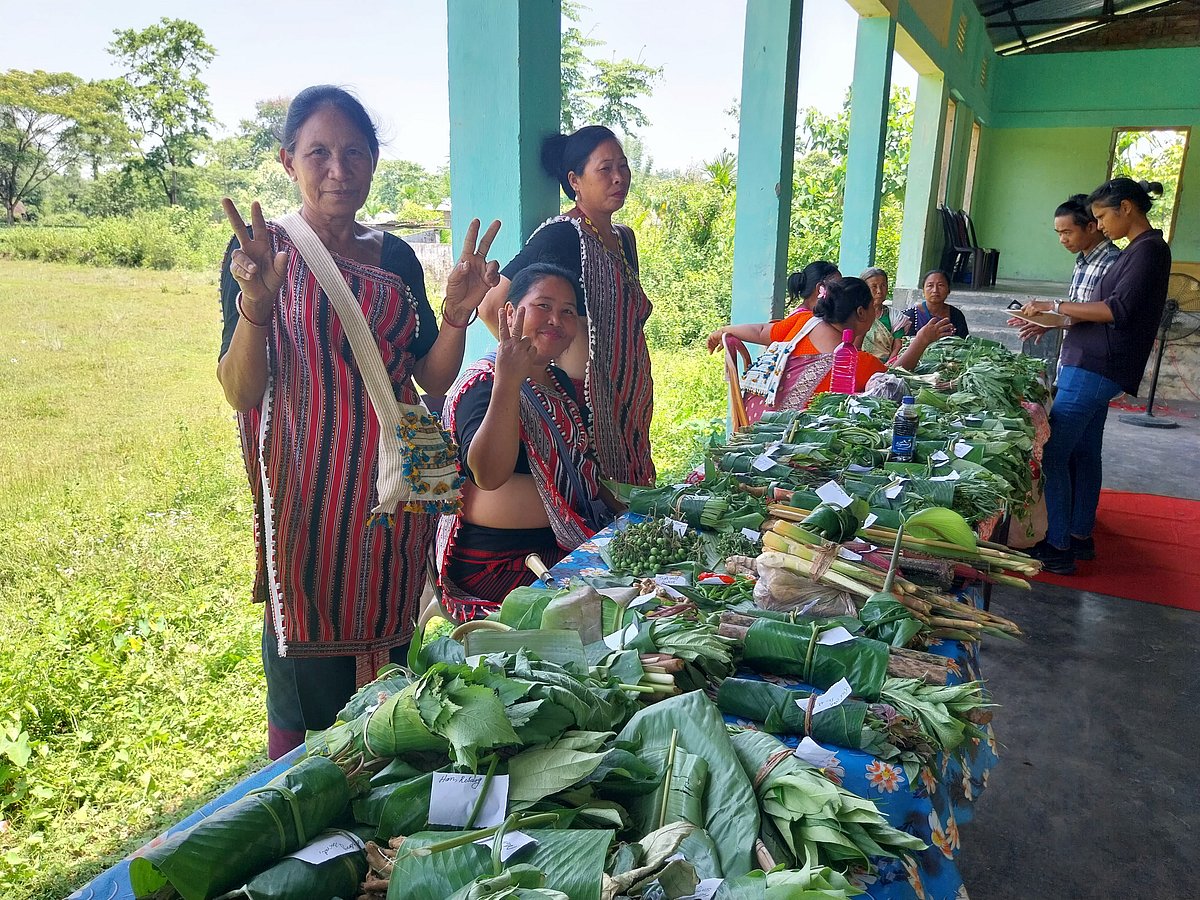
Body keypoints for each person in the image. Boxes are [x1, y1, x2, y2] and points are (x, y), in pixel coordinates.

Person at [217, 85, 501, 758]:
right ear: (288, 162)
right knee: (300, 652)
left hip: (392, 490)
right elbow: (239, 389)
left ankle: (381, 770)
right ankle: (293, 791)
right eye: (319, 153)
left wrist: (458, 314)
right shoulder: (261, 250)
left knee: (392, 631)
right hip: (307, 488)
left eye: (354, 153)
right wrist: (255, 300)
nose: (338, 171)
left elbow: (430, 377)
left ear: (375, 161)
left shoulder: (397, 256)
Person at [478, 125, 655, 487]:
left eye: (623, 167)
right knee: (600, 497)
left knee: (629, 497)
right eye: (605, 169)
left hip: (628, 400)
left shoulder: (623, 239)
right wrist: (536, 368)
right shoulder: (563, 235)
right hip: (585, 400)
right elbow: (492, 304)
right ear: (575, 180)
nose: (619, 178)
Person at [440, 265, 618, 620]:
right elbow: (487, 475)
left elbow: (581, 464)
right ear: (509, 312)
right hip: (498, 562)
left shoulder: (560, 382)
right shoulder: (484, 385)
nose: (556, 319)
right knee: (610, 607)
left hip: (562, 543)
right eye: (543, 306)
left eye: (568, 311)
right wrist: (508, 379)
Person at [1020, 178, 1170, 574]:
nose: (1100, 225)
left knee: (1053, 451)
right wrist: (1055, 320)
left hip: (1095, 365)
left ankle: (1058, 546)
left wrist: (1055, 306)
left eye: (1102, 216)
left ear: (1126, 208)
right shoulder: (1139, 251)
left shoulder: (1148, 251)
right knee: (1085, 451)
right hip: (1095, 361)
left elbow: (1115, 310)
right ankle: (1080, 536)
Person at [716, 277, 954, 413]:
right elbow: (892, 381)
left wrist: (724, 331)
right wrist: (921, 341)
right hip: (791, 440)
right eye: (872, 306)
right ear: (861, 312)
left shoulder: (803, 321)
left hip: (754, 416)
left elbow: (762, 331)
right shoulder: (853, 361)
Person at [1009, 194, 1121, 351]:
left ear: (1090, 227)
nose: (1062, 239)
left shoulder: (1113, 262)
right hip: (1073, 351)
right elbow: (1080, 310)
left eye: (1067, 232)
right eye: (1059, 233)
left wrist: (1051, 307)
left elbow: (1105, 313)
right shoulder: (1083, 260)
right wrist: (1048, 322)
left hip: (1093, 356)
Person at [705, 260, 840, 352]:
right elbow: (761, 332)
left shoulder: (800, 315)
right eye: (838, 288)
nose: (841, 294)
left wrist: (724, 330)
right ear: (820, 289)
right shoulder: (809, 321)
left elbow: (761, 331)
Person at [859, 266, 911, 362]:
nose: (879, 291)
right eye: (874, 287)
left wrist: (887, 367)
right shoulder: (855, 314)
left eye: (883, 286)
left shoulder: (895, 317)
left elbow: (898, 345)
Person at [902, 269, 970, 339]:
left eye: (940, 285)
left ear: (948, 290)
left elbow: (964, 342)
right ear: (923, 291)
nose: (935, 290)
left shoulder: (956, 314)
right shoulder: (909, 316)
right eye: (930, 285)